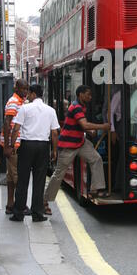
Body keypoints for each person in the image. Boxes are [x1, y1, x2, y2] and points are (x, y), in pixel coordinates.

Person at [44, 85, 110, 213]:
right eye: (88, 94)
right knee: (59, 174)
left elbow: (80, 125)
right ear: (80, 94)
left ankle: (95, 190)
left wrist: (89, 131)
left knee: (96, 159)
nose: (90, 97)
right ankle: (44, 201)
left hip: (80, 142)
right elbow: (84, 124)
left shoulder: (81, 106)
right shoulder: (76, 107)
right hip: (68, 146)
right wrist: (103, 126)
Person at [9, 84, 60, 222]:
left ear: (32, 94)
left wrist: (12, 145)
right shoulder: (50, 110)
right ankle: (37, 213)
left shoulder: (25, 108)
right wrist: (54, 151)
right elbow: (54, 133)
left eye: (29, 93)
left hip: (27, 146)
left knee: (23, 180)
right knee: (39, 180)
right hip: (43, 146)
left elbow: (16, 129)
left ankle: (19, 213)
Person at [0, 79, 29, 215]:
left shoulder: (20, 102)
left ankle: (10, 205)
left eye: (27, 89)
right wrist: (7, 146)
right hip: (13, 146)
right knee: (18, 177)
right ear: (16, 88)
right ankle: (20, 205)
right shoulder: (13, 102)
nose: (25, 92)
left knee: (11, 177)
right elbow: (7, 123)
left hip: (13, 145)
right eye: (23, 89)